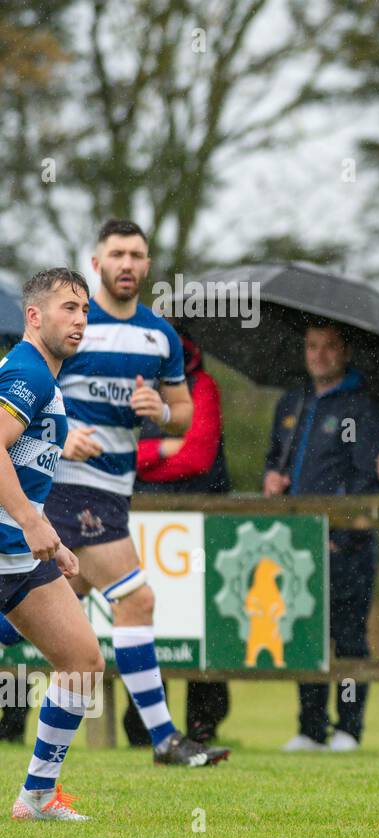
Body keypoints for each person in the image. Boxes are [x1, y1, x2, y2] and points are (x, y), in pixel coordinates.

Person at [43, 219, 227, 767]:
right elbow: (23, 393)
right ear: (96, 263)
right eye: (117, 253)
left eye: (137, 255)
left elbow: (185, 417)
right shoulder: (72, 328)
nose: (127, 263)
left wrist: (162, 414)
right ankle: (165, 740)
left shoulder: (159, 336)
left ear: (147, 266)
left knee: (41, 609)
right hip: (68, 489)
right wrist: (58, 431)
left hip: (114, 492)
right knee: (136, 599)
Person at [4, 268, 102, 821]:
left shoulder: (43, 376)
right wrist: (31, 522)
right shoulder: (27, 370)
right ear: (34, 317)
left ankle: (37, 797)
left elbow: (23, 468)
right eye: (68, 308)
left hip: (18, 556)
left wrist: (49, 538)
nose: (80, 320)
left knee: (83, 660)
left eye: (85, 310)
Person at [264, 320, 379, 751]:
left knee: (349, 634)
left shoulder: (362, 406)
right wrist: (272, 480)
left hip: (344, 543)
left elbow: (365, 479)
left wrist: (342, 532)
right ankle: (310, 727)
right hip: (296, 541)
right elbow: (272, 459)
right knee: (304, 633)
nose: (319, 354)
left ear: (345, 352)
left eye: (329, 347)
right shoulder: (292, 402)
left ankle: (349, 729)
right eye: (312, 346)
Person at [132, 333, 233, 745]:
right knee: (141, 617)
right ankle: (141, 722)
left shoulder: (200, 385)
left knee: (201, 623)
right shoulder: (137, 387)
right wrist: (159, 452)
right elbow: (116, 454)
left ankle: (201, 721)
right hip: (145, 525)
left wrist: (142, 460)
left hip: (199, 526)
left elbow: (197, 457)